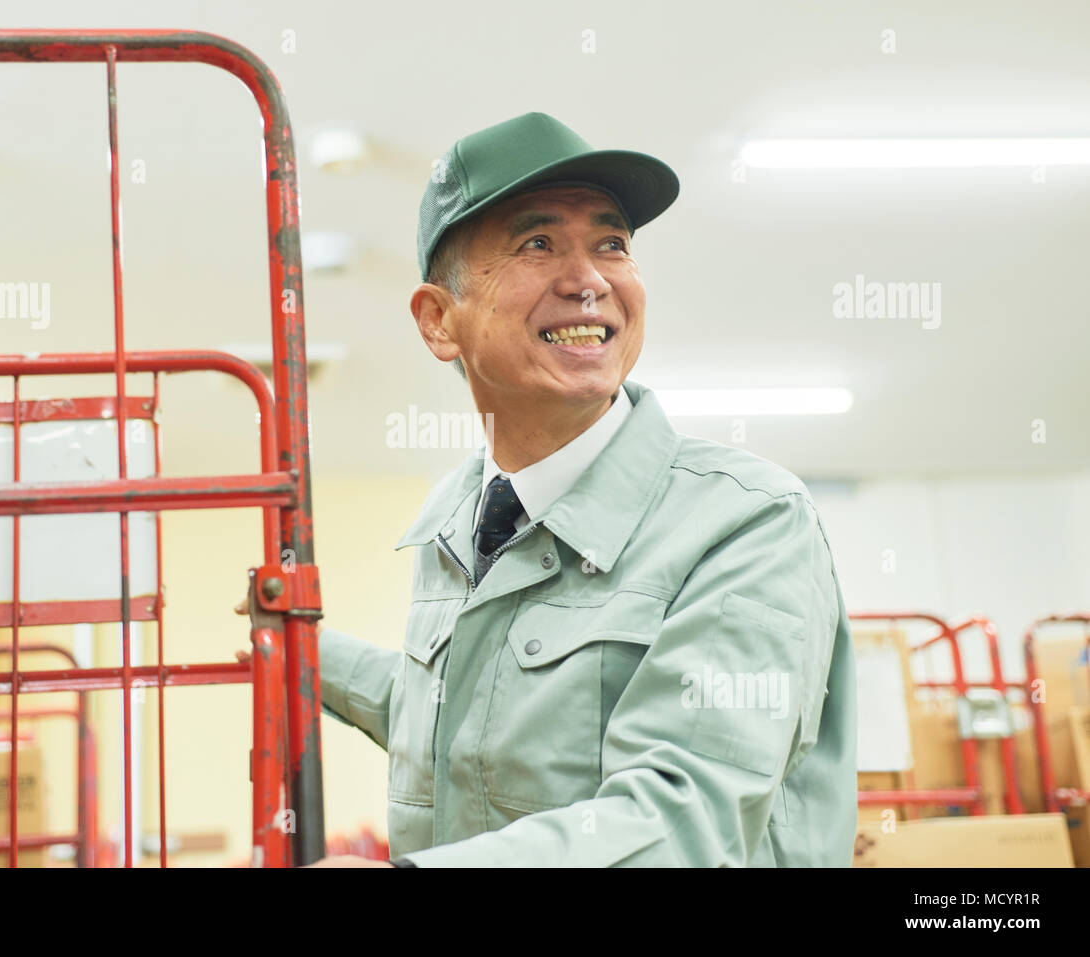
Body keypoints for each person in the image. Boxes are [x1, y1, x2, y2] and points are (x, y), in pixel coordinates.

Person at [247, 112, 856, 867]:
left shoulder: (746, 520)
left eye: (612, 244)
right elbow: (452, 715)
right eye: (537, 244)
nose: (590, 279)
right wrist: (299, 646)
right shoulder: (455, 523)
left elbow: (684, 817)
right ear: (440, 321)